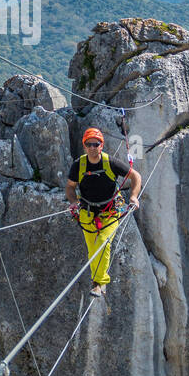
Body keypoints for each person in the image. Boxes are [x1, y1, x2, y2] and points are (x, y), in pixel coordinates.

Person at [66, 127, 142, 297]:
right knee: (92, 249)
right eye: (89, 144)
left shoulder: (111, 163)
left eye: (96, 144)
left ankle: (99, 283)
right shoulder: (79, 165)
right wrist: (73, 202)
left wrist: (134, 197)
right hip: (86, 211)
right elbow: (70, 187)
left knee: (103, 242)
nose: (92, 147)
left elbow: (135, 177)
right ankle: (98, 281)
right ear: (84, 146)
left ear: (102, 145)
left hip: (110, 211)